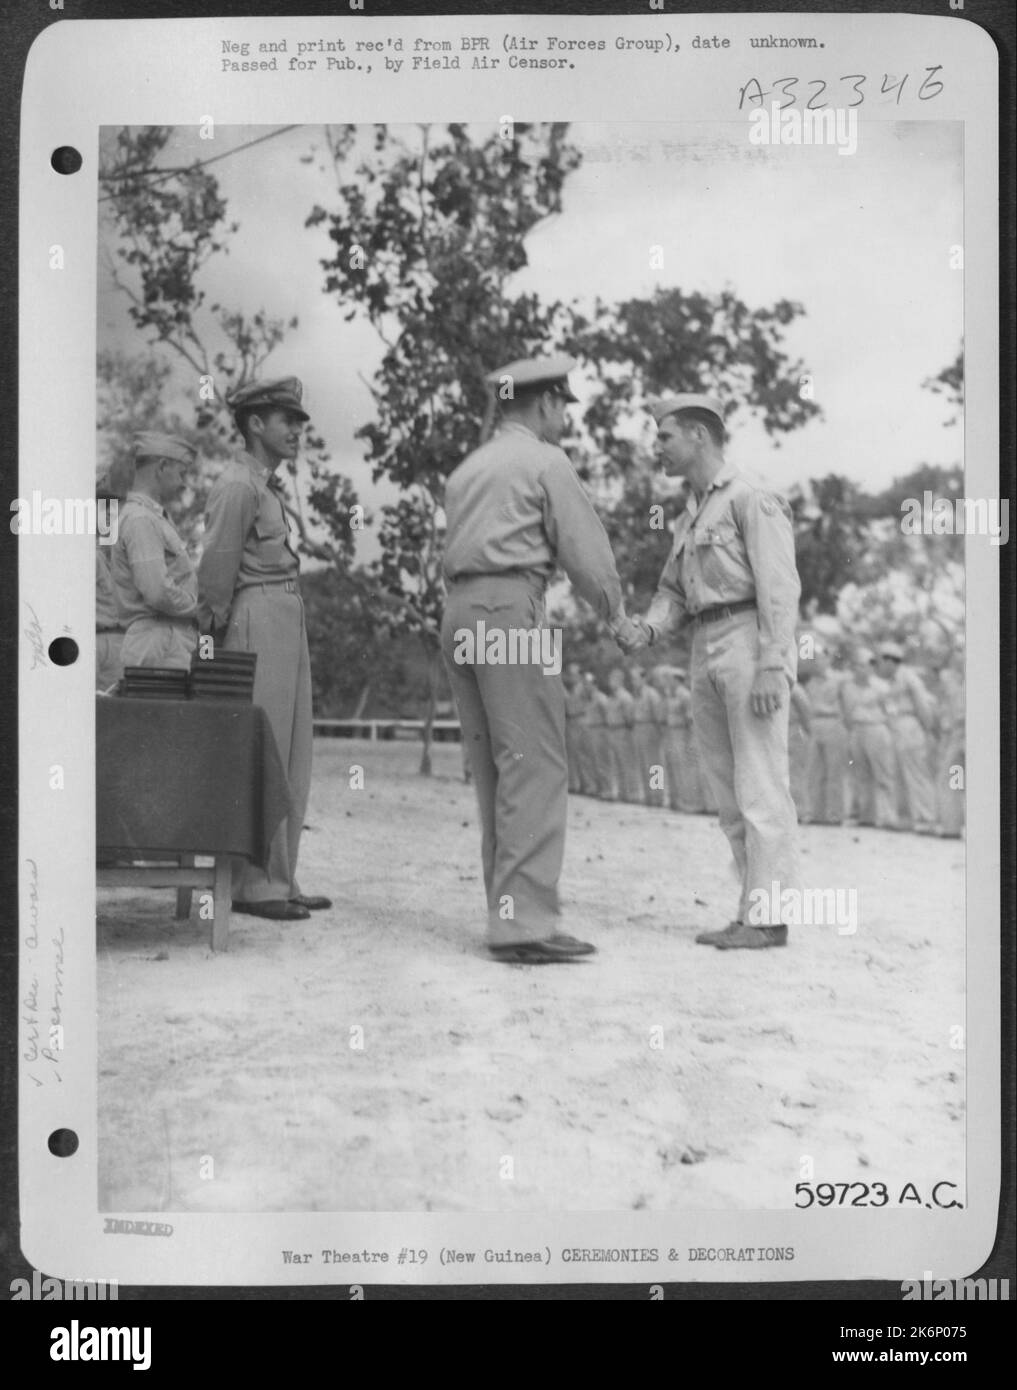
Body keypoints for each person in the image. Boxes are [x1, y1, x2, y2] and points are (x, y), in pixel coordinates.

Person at [441, 354, 640, 964]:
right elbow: (583, 548)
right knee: (536, 765)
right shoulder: (545, 460)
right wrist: (615, 611)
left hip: (458, 614)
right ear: (548, 403)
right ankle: (524, 924)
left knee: (495, 771)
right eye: (561, 408)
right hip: (511, 610)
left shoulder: (467, 468)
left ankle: (507, 915)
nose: (562, 420)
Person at [631, 393, 801, 950]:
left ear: (699, 436)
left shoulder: (750, 496)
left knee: (760, 782)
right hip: (705, 643)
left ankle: (770, 919)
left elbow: (779, 585)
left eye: (665, 437)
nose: (657, 447)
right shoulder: (691, 513)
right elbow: (671, 592)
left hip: (750, 640)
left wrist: (774, 663)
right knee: (728, 791)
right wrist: (649, 629)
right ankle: (752, 912)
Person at [197, 377, 332, 922]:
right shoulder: (238, 486)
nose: (298, 430)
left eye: (299, 421)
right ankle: (255, 885)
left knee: (294, 754)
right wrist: (212, 639)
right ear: (255, 423)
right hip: (253, 618)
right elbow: (216, 573)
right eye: (287, 420)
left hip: (284, 616)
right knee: (265, 750)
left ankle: (280, 876)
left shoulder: (265, 485)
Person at [110, 432, 199, 670]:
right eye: (182, 473)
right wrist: (200, 608)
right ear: (162, 467)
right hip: (157, 640)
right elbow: (157, 591)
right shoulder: (141, 520)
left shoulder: (150, 518)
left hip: (164, 637)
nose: (183, 482)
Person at [877, 642, 938, 834]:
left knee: (916, 773)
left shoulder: (909, 678)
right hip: (895, 726)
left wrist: (927, 730)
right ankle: (906, 819)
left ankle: (926, 818)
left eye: (882, 661)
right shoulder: (891, 681)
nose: (879, 666)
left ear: (890, 661)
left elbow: (923, 706)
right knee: (898, 774)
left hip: (910, 725)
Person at [841, 647, 897, 828]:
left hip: (876, 728)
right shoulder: (847, 686)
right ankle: (867, 816)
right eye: (857, 665)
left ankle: (889, 816)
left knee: (883, 774)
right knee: (861, 775)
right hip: (856, 729)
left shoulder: (881, 687)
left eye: (864, 666)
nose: (860, 669)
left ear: (872, 667)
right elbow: (846, 710)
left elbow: (891, 711)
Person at [800, 644, 849, 825]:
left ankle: (834, 814)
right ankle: (814, 813)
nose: (819, 662)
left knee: (834, 771)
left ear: (829, 660)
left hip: (833, 721)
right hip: (814, 723)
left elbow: (847, 704)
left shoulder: (839, 680)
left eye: (823, 658)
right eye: (816, 659)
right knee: (814, 770)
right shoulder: (810, 682)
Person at [95, 456, 131, 692]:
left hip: (124, 643)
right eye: (102, 505)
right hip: (94, 639)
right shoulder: (81, 552)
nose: (109, 513)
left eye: (115, 505)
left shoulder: (128, 554)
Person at [604, 666, 640, 803]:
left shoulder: (625, 697)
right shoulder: (611, 697)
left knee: (626, 763)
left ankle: (633, 793)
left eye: (613, 679)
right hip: (612, 731)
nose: (610, 682)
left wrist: (625, 730)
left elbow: (629, 718)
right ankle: (622, 792)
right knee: (617, 763)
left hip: (622, 731)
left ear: (620, 680)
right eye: (610, 679)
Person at [631, 665, 665, 806]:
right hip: (638, 728)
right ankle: (648, 796)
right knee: (643, 763)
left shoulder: (652, 694)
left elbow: (659, 716)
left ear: (643, 679)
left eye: (635, 679)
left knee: (654, 765)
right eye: (632, 679)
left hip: (650, 727)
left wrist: (657, 734)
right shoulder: (636, 695)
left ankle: (657, 797)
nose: (633, 682)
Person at [563, 662, 590, 795]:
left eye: (574, 674)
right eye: (570, 674)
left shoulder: (583, 687)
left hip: (581, 719)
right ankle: (575, 784)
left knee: (583, 755)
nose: (571, 677)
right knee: (572, 754)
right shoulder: (569, 689)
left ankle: (588, 785)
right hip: (571, 721)